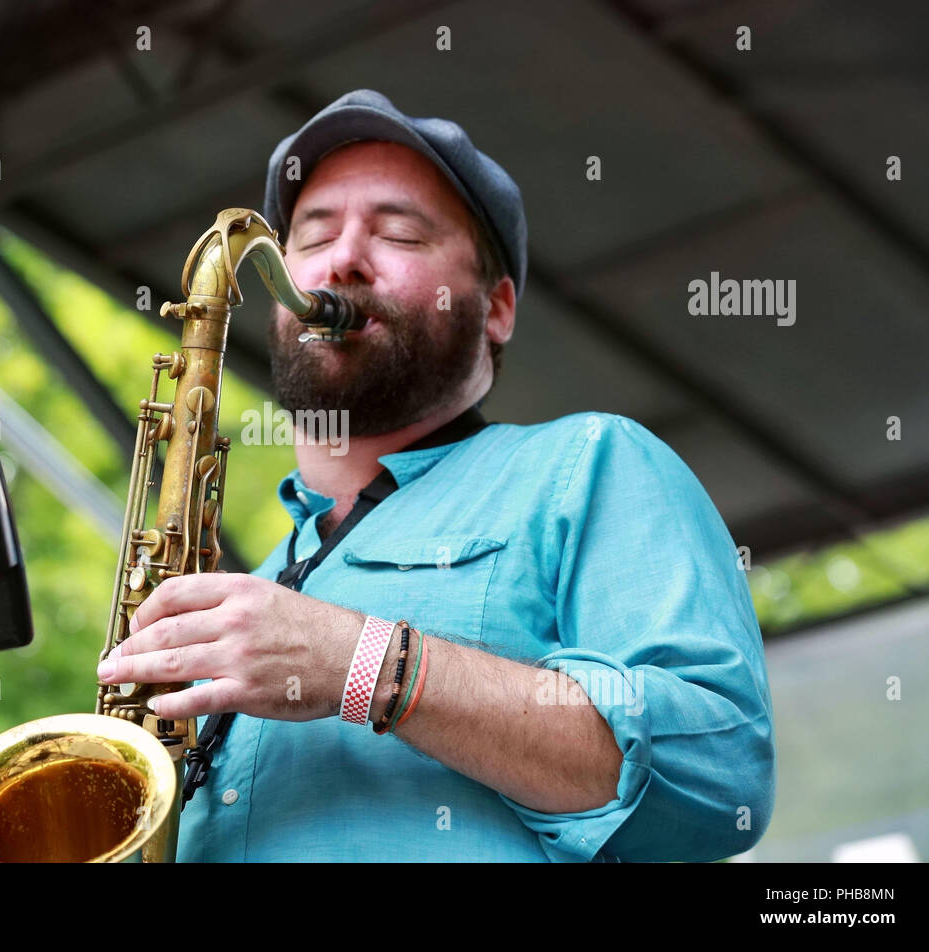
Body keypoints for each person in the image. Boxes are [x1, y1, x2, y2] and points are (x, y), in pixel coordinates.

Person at [96, 89, 776, 862]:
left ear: (497, 308)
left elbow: (720, 781)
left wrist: (363, 664)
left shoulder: (589, 462)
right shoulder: (254, 590)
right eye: (313, 234)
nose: (343, 258)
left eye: (398, 234)